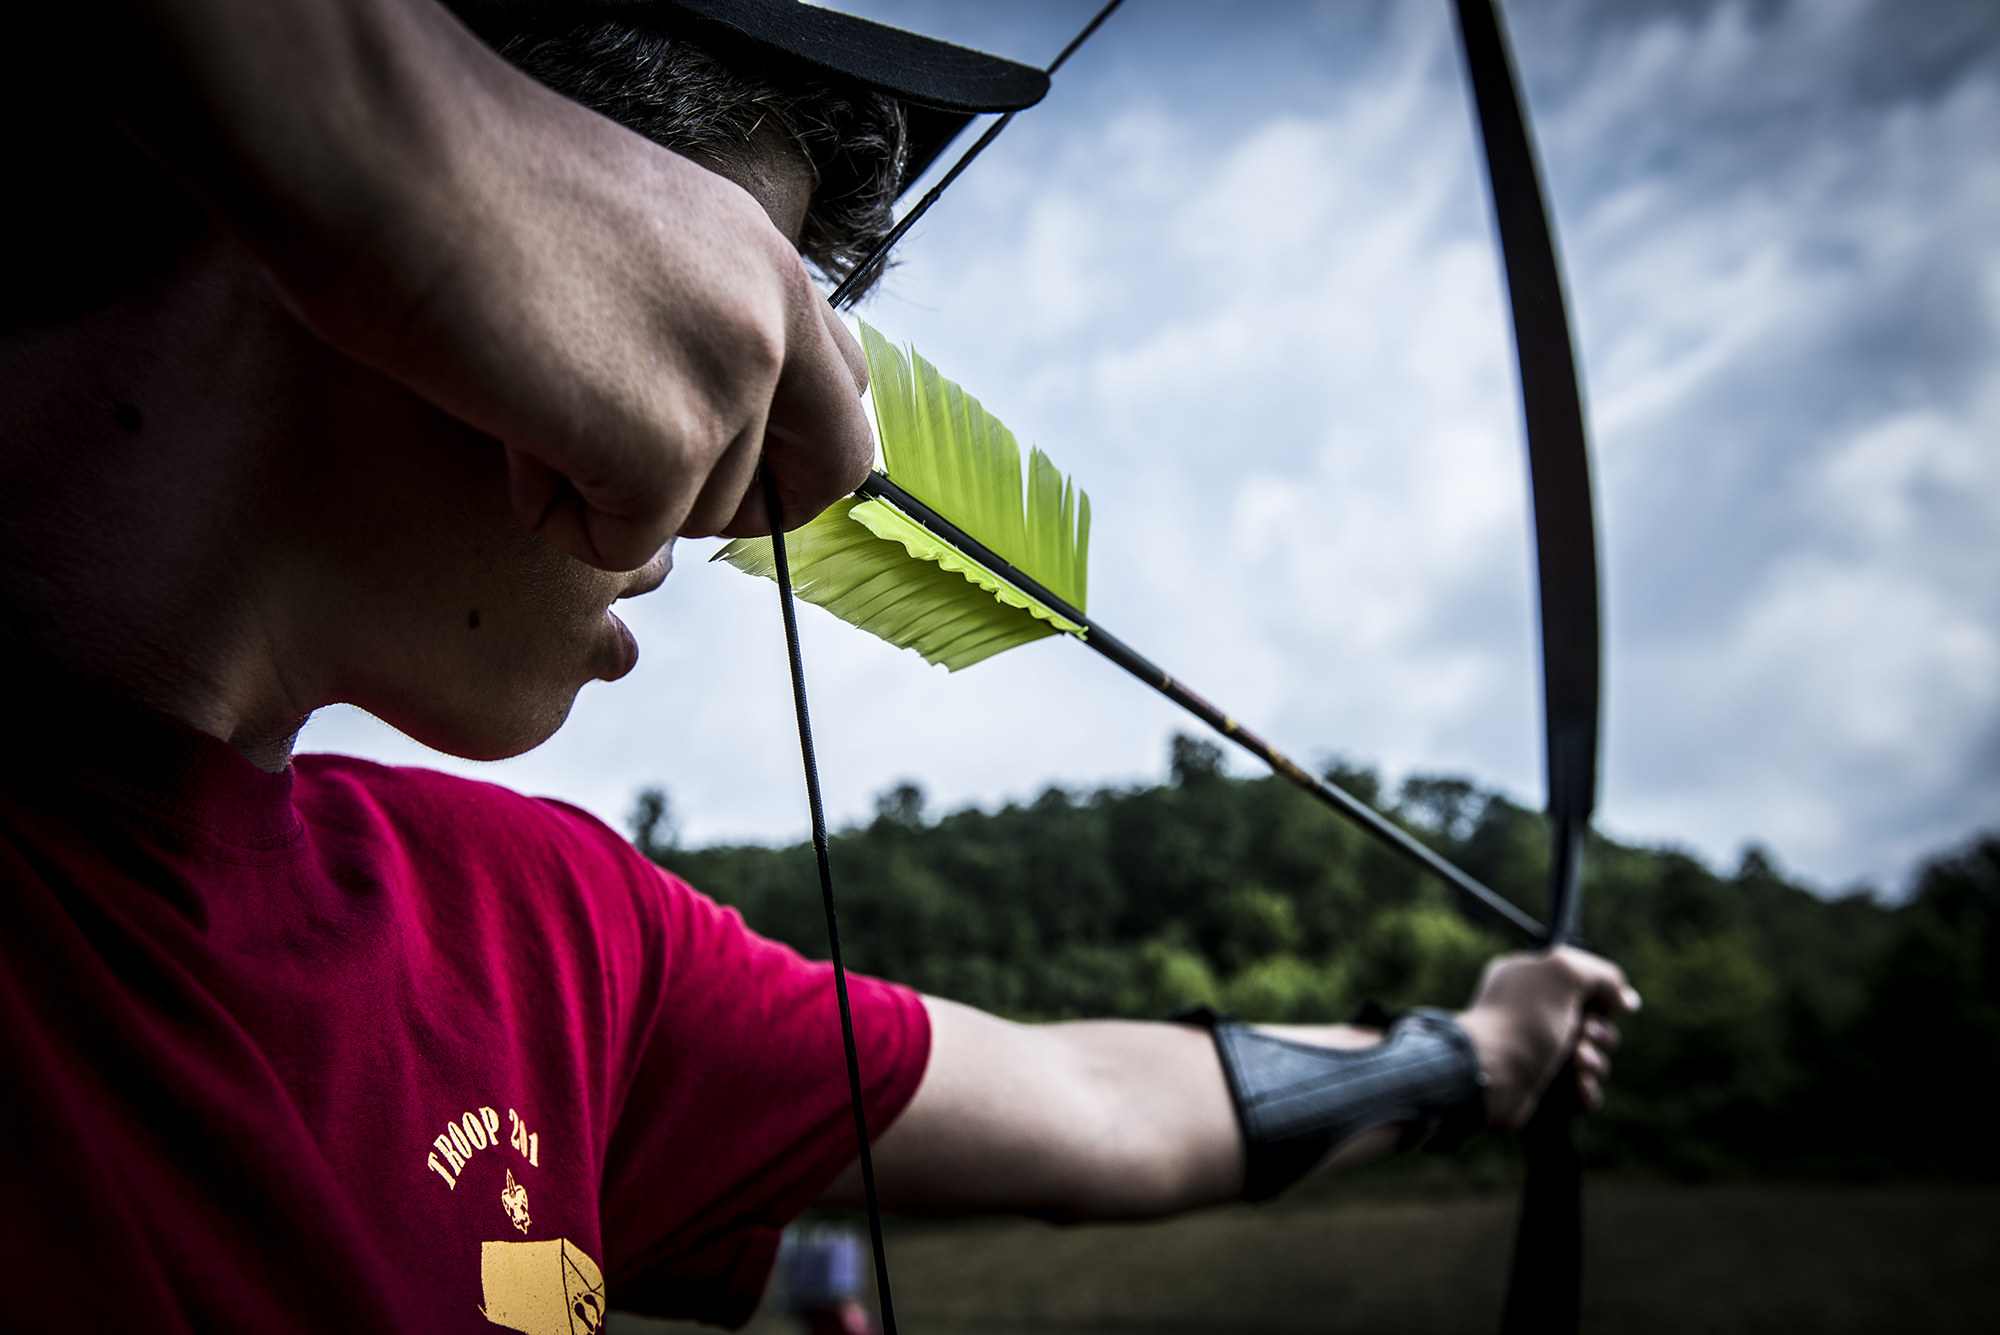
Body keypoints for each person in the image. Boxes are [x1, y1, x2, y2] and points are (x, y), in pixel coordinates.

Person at [0, 1, 1638, 1329]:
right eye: (709, 312)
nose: (735, 486)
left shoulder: (545, 926)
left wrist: (1472, 1056)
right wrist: (402, 145)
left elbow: (1089, 1106)